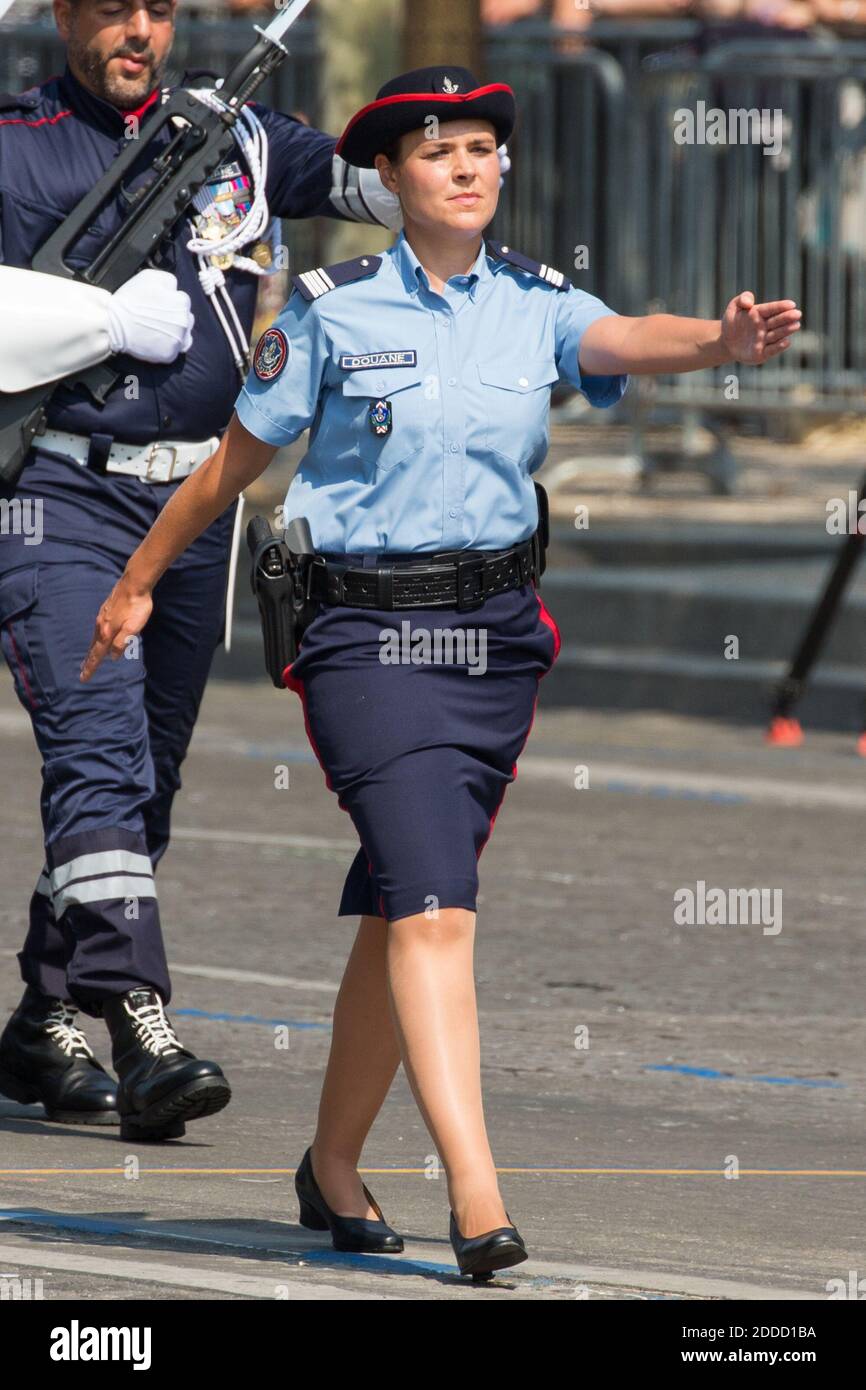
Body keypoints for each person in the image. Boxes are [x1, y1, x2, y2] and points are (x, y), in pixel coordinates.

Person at [80, 64, 801, 1275]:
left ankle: (331, 1161)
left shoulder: (534, 301)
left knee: (403, 900)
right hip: (364, 640)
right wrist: (140, 577)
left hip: (494, 644)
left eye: (479, 147)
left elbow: (625, 337)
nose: (464, 167)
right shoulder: (332, 308)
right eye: (434, 151)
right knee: (436, 904)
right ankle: (476, 1192)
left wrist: (720, 340)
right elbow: (228, 469)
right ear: (391, 179)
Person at [0, 0, 425, 1142]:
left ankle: (44, 1017)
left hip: (191, 503)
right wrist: (89, 320)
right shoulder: (15, 143)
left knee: (148, 777)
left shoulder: (239, 133)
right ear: (61, 16)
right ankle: (139, 1020)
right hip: (59, 491)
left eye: (155, 7)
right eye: (108, 8)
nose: (136, 29)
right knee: (96, 742)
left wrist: (444, 132)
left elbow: (378, 185)